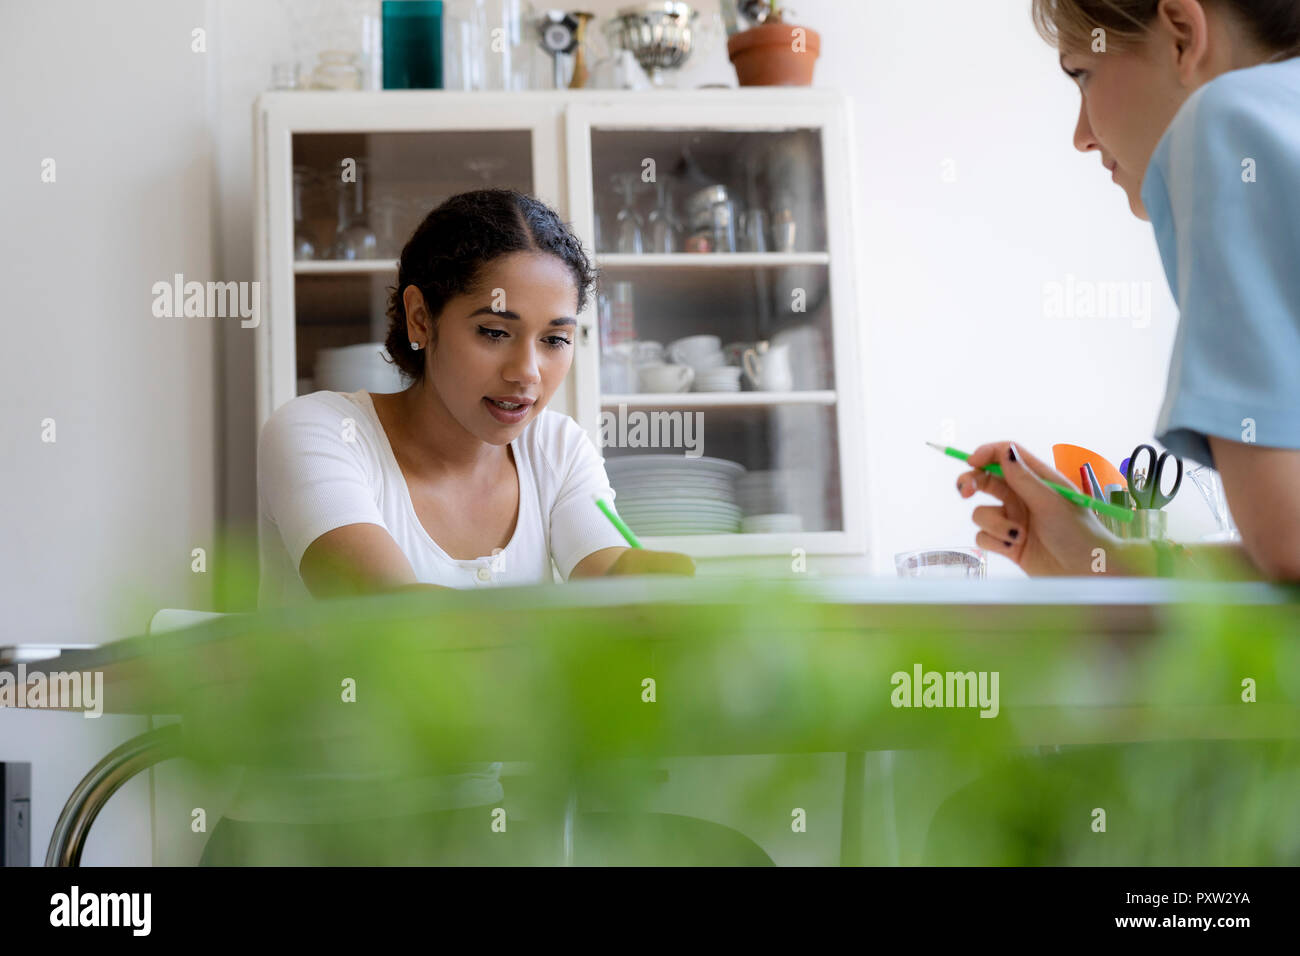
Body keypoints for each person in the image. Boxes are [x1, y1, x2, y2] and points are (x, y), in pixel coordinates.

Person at [204, 188, 772, 866]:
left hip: (473, 826)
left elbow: (608, 570)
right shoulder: (320, 431)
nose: (527, 373)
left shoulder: (555, 448)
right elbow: (392, 619)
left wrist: (669, 588)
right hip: (306, 836)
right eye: (495, 332)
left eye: (555, 339)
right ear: (422, 316)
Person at [956, 0, 1300, 581]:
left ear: (1182, 36)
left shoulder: (1227, 119)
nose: (1081, 137)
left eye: (1081, 73)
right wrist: (1107, 563)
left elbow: (1286, 543)